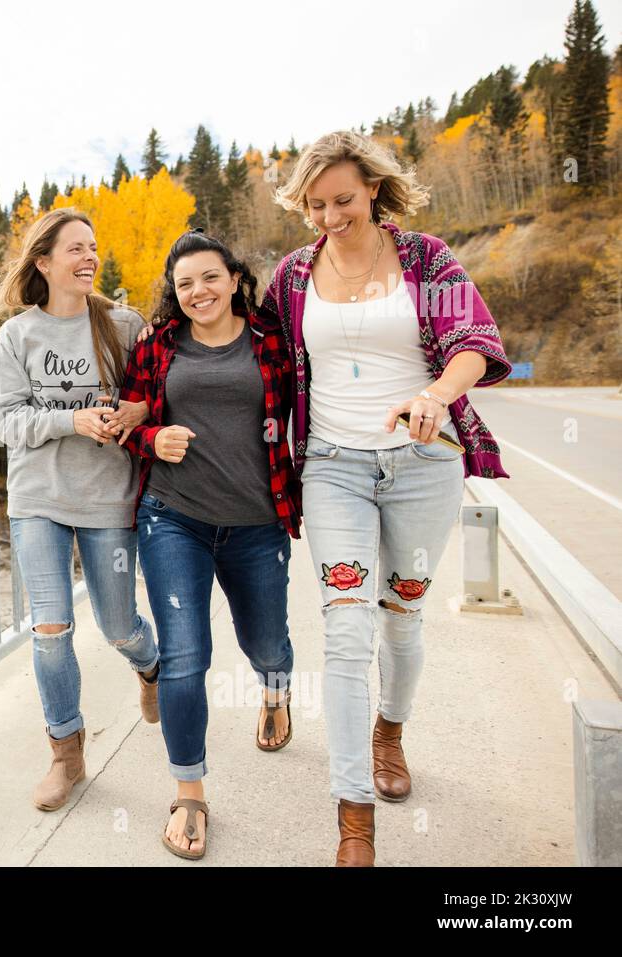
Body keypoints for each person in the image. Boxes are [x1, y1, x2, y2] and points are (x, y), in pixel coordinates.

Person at [264, 130, 511, 866]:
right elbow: (265, 355)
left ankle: (390, 729)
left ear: (373, 188)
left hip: (424, 462)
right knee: (344, 630)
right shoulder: (293, 275)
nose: (330, 216)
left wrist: (437, 393)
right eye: (314, 205)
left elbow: (473, 336)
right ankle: (354, 821)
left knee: (402, 617)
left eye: (342, 199)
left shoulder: (425, 257)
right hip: (334, 464)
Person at [121, 229, 302, 859]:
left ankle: (276, 691)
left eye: (209, 278)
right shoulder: (157, 347)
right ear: (174, 294)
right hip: (174, 517)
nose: (198, 292)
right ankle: (189, 791)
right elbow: (127, 417)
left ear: (233, 278)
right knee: (185, 654)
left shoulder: (273, 342)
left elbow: (309, 410)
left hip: (257, 522)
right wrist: (152, 440)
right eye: (184, 284)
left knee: (265, 640)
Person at [0, 207, 157, 813]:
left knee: (118, 627)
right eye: (75, 249)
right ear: (44, 262)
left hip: (108, 497)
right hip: (39, 501)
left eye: (93, 247)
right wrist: (71, 419)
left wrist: (129, 415)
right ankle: (66, 752)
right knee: (50, 629)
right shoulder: (18, 336)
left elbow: (154, 396)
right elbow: (5, 420)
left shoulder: (124, 325)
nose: (89, 258)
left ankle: (151, 666)